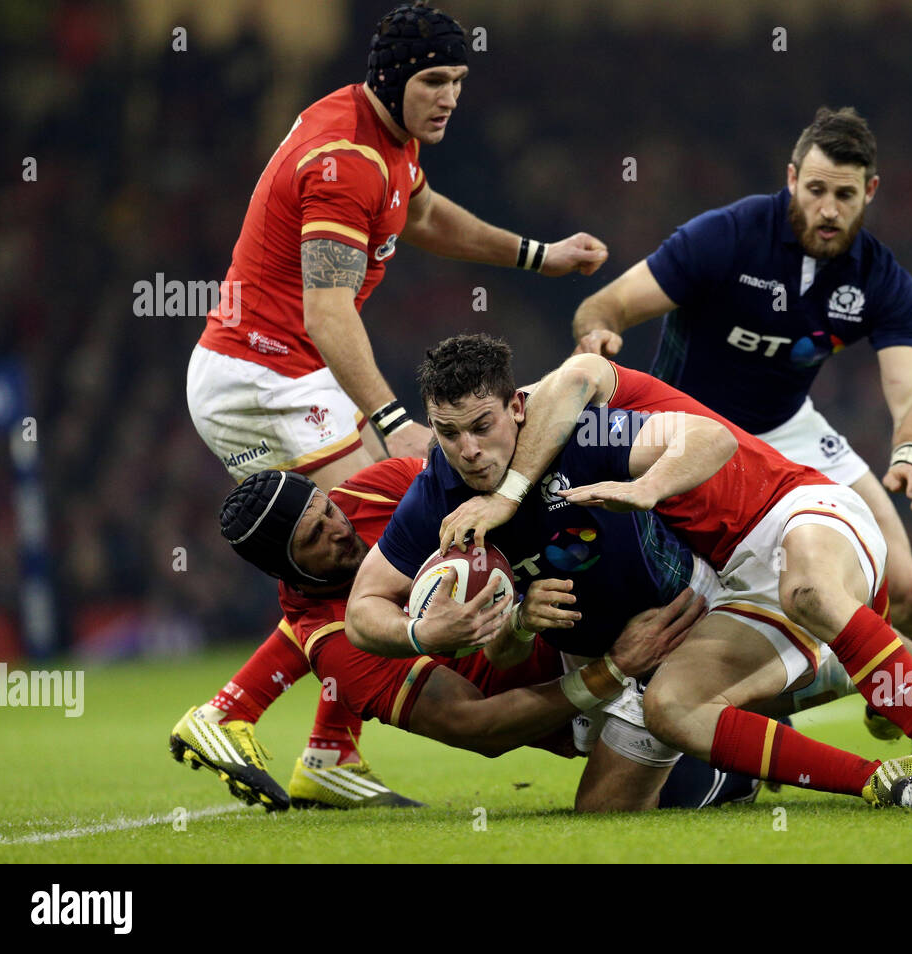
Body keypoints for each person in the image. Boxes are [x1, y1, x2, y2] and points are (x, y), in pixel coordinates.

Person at [172, 1, 609, 810]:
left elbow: (427, 212)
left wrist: (536, 255)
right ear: (392, 79)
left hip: (265, 374)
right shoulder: (344, 161)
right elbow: (326, 311)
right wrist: (386, 419)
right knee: (395, 518)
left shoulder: (385, 141)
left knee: (352, 556)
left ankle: (318, 745)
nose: (448, 97)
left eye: (458, 81)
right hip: (263, 375)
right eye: (434, 81)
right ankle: (239, 714)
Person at [438, 341, 912, 808]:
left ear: (514, 405)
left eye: (484, 426)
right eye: (453, 435)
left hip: (799, 508)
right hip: (731, 585)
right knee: (674, 707)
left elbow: (587, 383)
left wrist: (547, 493)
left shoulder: (574, 392)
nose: (473, 448)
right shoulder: (472, 481)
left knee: (811, 592)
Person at [571, 106, 912, 666]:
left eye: (844, 196)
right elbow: (608, 304)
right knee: (697, 615)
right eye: (815, 189)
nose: (828, 209)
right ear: (791, 178)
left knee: (911, 594)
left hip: (788, 429)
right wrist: (598, 335)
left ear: (870, 191)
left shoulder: (880, 278)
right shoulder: (726, 236)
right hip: (686, 437)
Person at [205, 456, 767, 812]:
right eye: (314, 538)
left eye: (326, 509)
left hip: (591, 600)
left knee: (769, 648)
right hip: (575, 701)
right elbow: (480, 727)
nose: (341, 530)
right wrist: (611, 670)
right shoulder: (338, 644)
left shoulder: (373, 494)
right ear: (286, 567)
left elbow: (480, 478)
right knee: (696, 781)